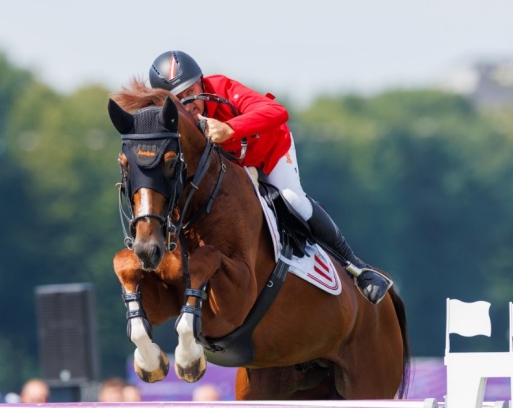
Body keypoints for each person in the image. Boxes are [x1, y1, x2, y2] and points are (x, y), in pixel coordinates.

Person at [148, 50, 392, 304]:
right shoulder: (174, 127)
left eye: (191, 91)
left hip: (273, 151)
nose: (190, 104)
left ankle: (359, 269)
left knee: (291, 198)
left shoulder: (221, 87)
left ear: (201, 81)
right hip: (237, 167)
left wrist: (230, 128)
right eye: (179, 99)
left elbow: (277, 111)